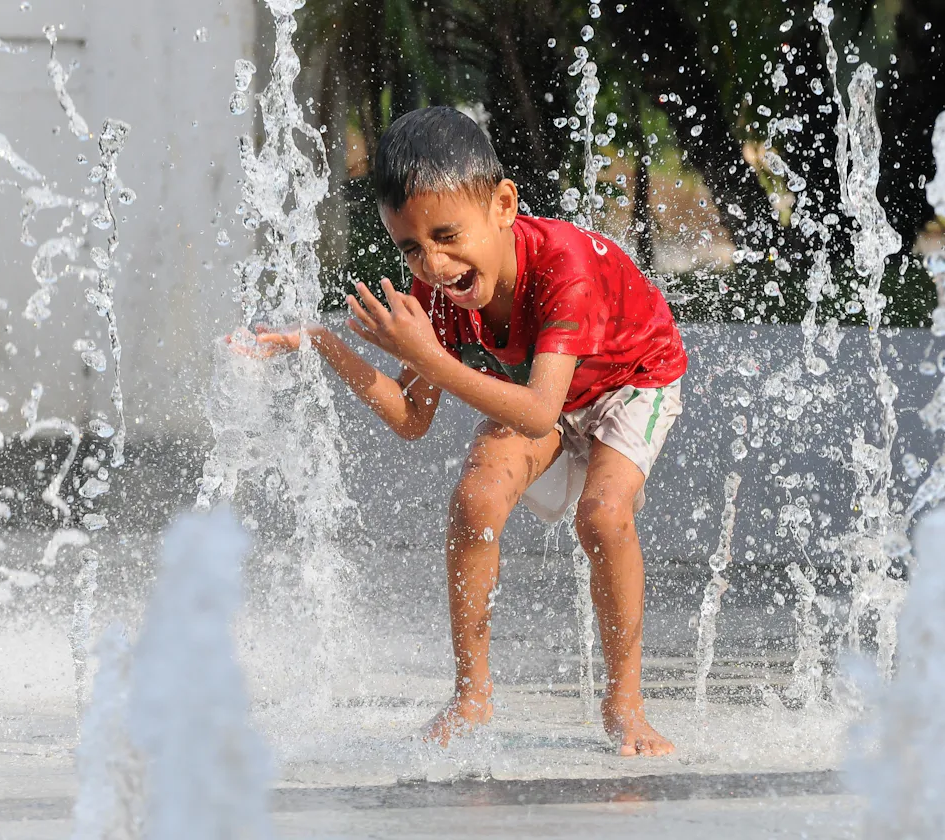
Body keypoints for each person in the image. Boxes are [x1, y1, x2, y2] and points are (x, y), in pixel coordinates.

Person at [240, 106, 687, 757]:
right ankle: (471, 697)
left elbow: (534, 413)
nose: (433, 264)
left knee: (602, 514)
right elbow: (412, 419)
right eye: (411, 247)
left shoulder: (567, 268)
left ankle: (625, 706)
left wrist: (429, 358)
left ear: (503, 204)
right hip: (547, 390)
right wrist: (322, 345)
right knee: (474, 502)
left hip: (631, 379)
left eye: (447, 236)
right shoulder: (438, 293)